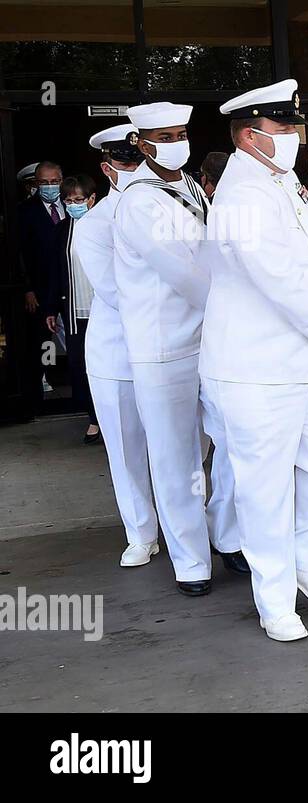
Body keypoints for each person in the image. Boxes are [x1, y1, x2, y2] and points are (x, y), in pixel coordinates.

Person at [202, 78, 308, 642]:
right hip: (255, 368)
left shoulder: (282, 182)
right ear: (250, 136)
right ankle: (274, 600)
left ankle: (306, 560)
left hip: (304, 362)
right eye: (284, 128)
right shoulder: (240, 194)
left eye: (294, 126)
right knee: (265, 487)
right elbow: (274, 276)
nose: (296, 136)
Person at [114, 101, 246, 596]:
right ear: (141, 145)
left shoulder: (189, 185)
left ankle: (227, 535)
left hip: (210, 339)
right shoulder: (139, 202)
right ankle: (191, 560)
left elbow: (211, 251)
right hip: (164, 346)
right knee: (176, 457)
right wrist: (241, 308)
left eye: (180, 134)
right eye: (164, 137)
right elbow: (184, 274)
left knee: (234, 440)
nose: (175, 144)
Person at [73, 124, 161, 568]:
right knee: (127, 451)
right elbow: (114, 291)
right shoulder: (93, 225)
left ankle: (190, 525)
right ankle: (141, 531)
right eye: (127, 162)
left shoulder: (171, 207)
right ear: (108, 170)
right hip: (119, 354)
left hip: (171, 349)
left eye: (142, 159)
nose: (137, 168)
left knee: (181, 448)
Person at [44, 173, 100, 443]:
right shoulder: (62, 230)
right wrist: (50, 308)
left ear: (92, 199)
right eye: (68, 200)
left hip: (105, 309)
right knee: (81, 365)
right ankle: (93, 418)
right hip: (76, 310)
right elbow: (55, 273)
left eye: (79, 199)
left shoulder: (105, 225)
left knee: (110, 365)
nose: (73, 204)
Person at [15, 160, 65, 418]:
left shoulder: (72, 204)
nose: (50, 187)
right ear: (36, 184)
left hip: (70, 288)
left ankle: (77, 394)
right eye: (44, 183)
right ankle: (40, 398)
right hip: (41, 290)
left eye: (54, 181)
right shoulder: (25, 211)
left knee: (74, 344)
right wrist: (28, 288)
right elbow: (20, 252)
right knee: (42, 344)